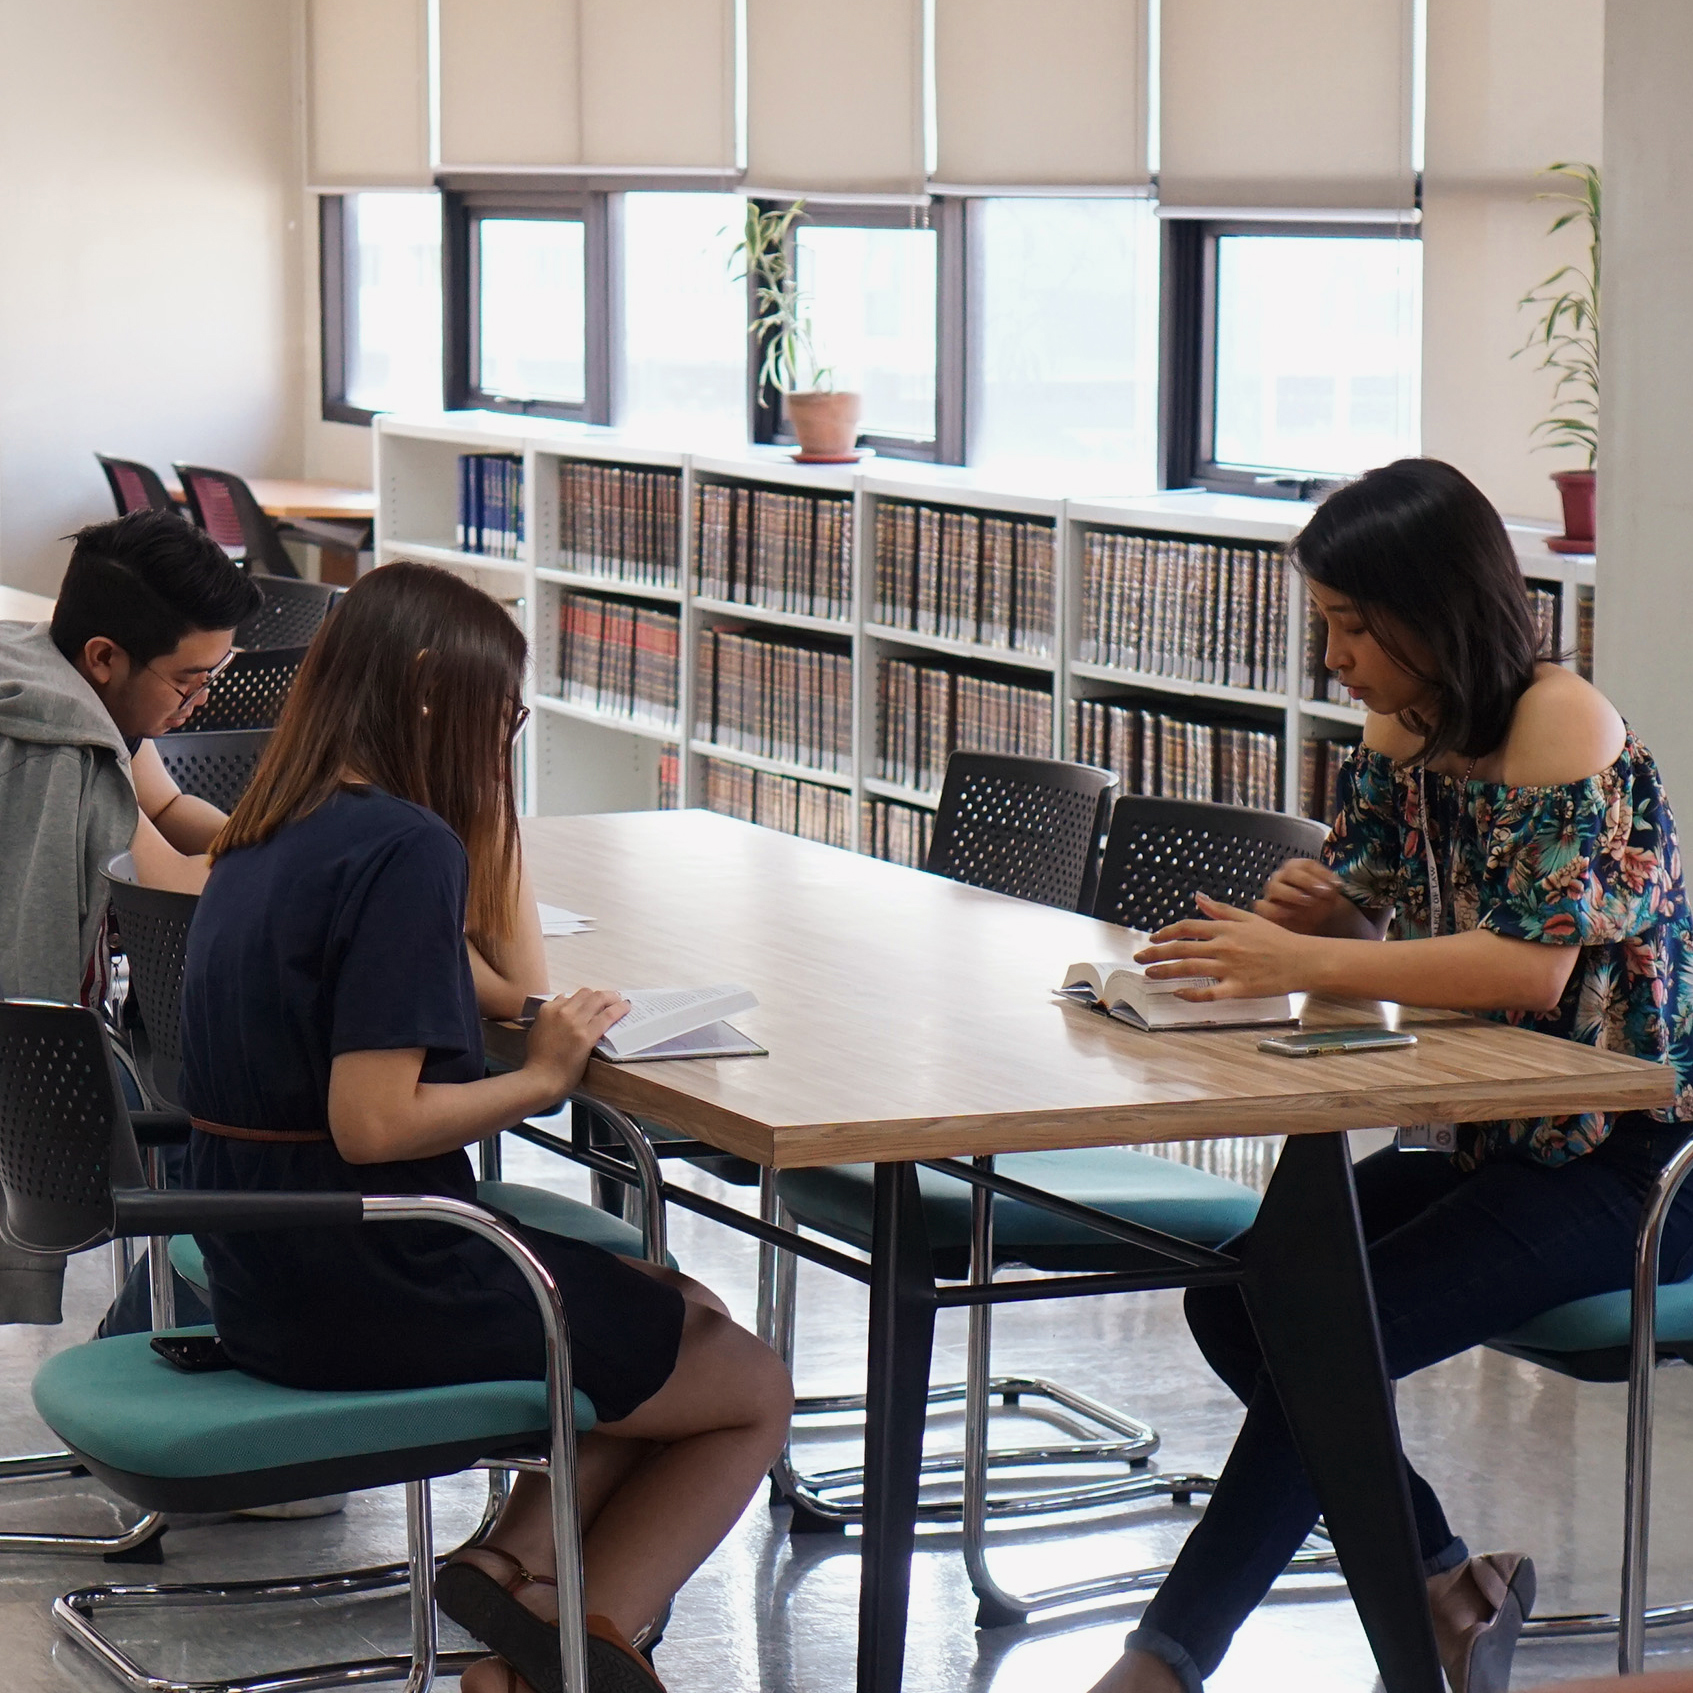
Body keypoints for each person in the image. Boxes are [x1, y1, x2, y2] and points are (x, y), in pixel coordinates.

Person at [1087, 460, 1693, 1693]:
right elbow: (1389, 953)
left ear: (1440, 607)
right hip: (1505, 1141)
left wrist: (1304, 949)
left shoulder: (1559, 718)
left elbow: (1527, 971)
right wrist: (1334, 926)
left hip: (1640, 1161)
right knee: (1241, 1297)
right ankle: (1437, 1582)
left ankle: (1163, 1663)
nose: (1337, 657)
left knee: (1328, 1332)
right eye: (1327, 624)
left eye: (1357, 625)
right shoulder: (1399, 733)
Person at [179, 561, 792, 1693]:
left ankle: (517, 1578)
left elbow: (471, 972)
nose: (505, 737)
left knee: (676, 1312)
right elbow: (373, 1123)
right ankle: (579, 1643)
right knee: (748, 1384)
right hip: (374, 1266)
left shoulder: (277, 822)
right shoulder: (405, 846)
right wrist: (543, 1075)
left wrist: (515, 977)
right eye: (500, 714)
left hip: (264, 1267)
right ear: (426, 690)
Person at [0, 508, 258, 1325]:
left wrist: (283, 834)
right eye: (189, 681)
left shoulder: (50, 665)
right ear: (106, 658)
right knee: (230, 1118)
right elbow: (174, 893)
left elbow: (175, 808)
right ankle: (163, 1350)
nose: (202, 700)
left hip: (41, 1034)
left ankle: (151, 1337)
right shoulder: (66, 750)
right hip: (25, 1059)